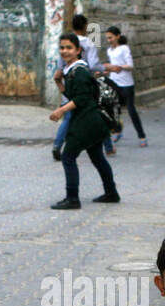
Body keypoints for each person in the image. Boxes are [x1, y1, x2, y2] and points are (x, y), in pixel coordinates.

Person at [48, 32, 119, 210]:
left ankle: (72, 198)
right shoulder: (71, 71)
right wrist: (59, 83)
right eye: (62, 48)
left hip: (87, 122)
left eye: (69, 48)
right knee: (97, 158)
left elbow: (82, 99)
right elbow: (73, 95)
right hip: (92, 122)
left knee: (68, 156)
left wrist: (61, 110)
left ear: (78, 50)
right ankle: (111, 193)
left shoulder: (79, 71)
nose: (65, 51)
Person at [51, 13, 110, 160]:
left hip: (69, 80)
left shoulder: (66, 42)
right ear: (85, 27)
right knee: (97, 111)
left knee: (69, 116)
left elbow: (60, 64)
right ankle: (106, 146)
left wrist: (60, 80)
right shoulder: (87, 44)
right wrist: (104, 69)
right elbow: (94, 64)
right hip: (84, 81)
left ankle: (58, 145)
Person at [104, 26, 146, 147]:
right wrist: (106, 71)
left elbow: (130, 66)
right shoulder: (109, 51)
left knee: (131, 110)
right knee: (113, 109)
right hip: (114, 83)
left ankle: (142, 135)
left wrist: (119, 67)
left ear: (117, 36)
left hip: (126, 84)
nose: (109, 40)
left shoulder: (124, 49)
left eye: (111, 37)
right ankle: (117, 131)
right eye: (107, 38)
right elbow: (113, 67)